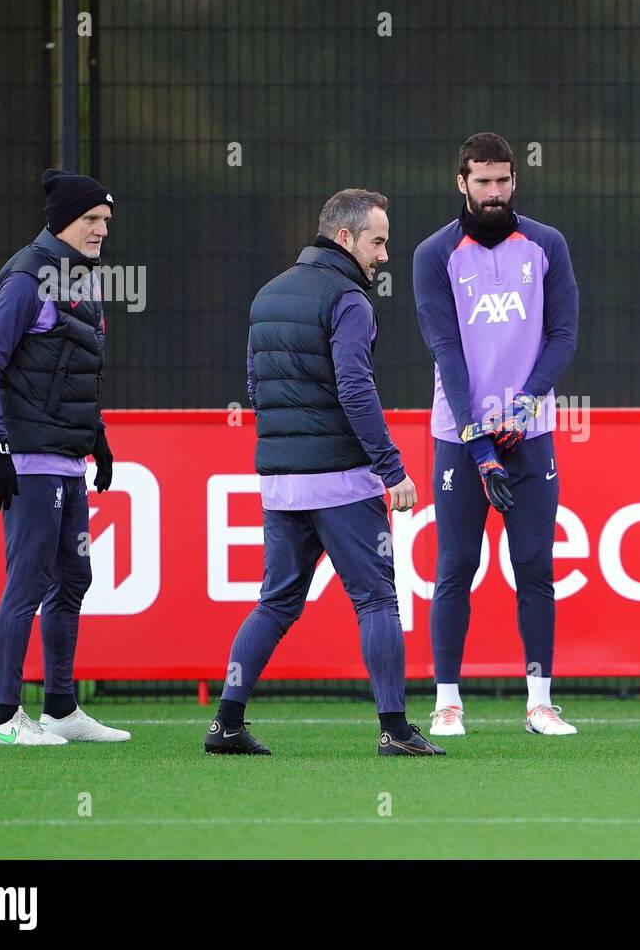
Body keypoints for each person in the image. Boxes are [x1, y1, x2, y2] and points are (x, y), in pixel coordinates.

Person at [204, 189, 442, 758]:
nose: (384, 254)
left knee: (275, 602)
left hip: (281, 482)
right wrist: (393, 471)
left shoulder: (267, 295)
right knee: (378, 601)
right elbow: (355, 389)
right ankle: (395, 730)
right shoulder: (349, 300)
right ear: (345, 238)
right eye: (378, 241)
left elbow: (256, 387)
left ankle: (226, 724)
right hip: (342, 480)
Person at [413, 132, 579, 737]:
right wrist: (480, 443)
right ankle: (447, 701)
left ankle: (540, 703)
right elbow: (445, 349)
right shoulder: (434, 254)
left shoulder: (546, 244)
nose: (494, 192)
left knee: (534, 564)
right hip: (460, 435)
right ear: (461, 183)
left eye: (503, 181)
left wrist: (527, 403)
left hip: (530, 432)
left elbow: (562, 336)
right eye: (482, 182)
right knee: (456, 564)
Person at [0, 168, 130, 746]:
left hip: (66, 459)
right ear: (62, 221)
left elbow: (73, 370)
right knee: (28, 583)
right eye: (91, 220)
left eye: (106, 221)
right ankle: (4, 720)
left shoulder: (79, 280)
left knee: (74, 577)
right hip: (30, 459)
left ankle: (60, 709)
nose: (101, 231)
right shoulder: (26, 279)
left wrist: (98, 435)